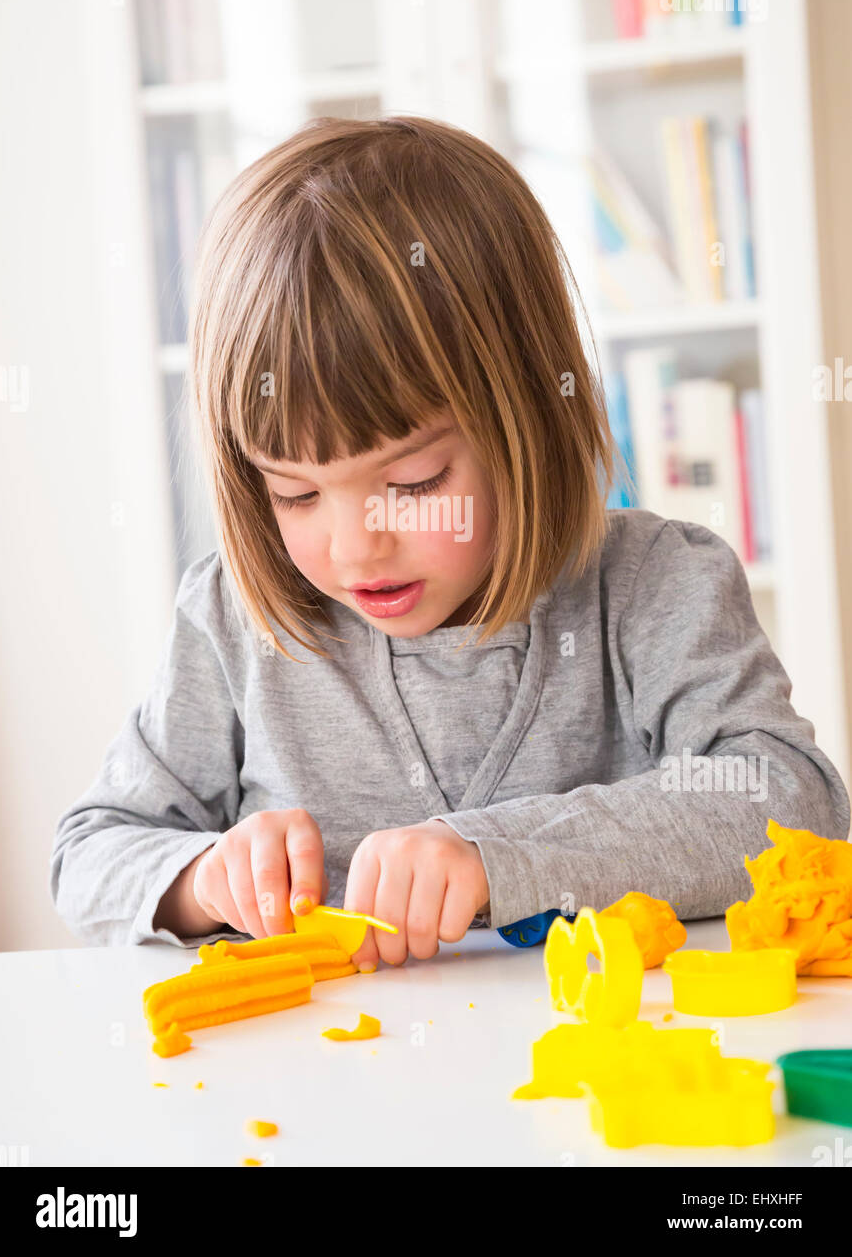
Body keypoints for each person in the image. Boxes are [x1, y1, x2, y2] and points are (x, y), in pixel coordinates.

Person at [50, 116, 850, 970]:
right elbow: (90, 854)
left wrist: (497, 854)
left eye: (415, 483)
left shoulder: (654, 586)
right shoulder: (232, 622)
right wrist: (203, 879)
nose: (356, 550)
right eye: (297, 493)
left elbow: (787, 801)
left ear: (530, 421)